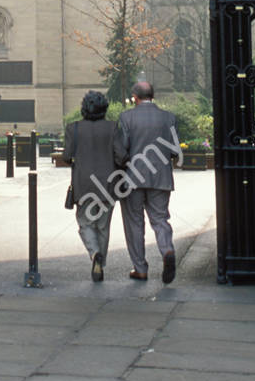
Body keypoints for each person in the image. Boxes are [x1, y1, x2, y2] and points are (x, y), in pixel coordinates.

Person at [114, 80, 180, 284]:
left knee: (134, 223)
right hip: (160, 177)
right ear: (153, 96)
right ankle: (167, 249)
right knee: (160, 220)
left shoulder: (126, 117)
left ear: (134, 97)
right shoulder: (169, 118)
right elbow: (175, 150)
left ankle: (140, 268)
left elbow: (121, 150)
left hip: (132, 178)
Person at [62, 90, 118, 282]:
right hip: (108, 184)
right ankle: (100, 263)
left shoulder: (74, 128)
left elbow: (66, 156)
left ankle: (94, 254)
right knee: (103, 226)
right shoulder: (113, 128)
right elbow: (121, 156)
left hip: (83, 183)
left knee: (85, 223)